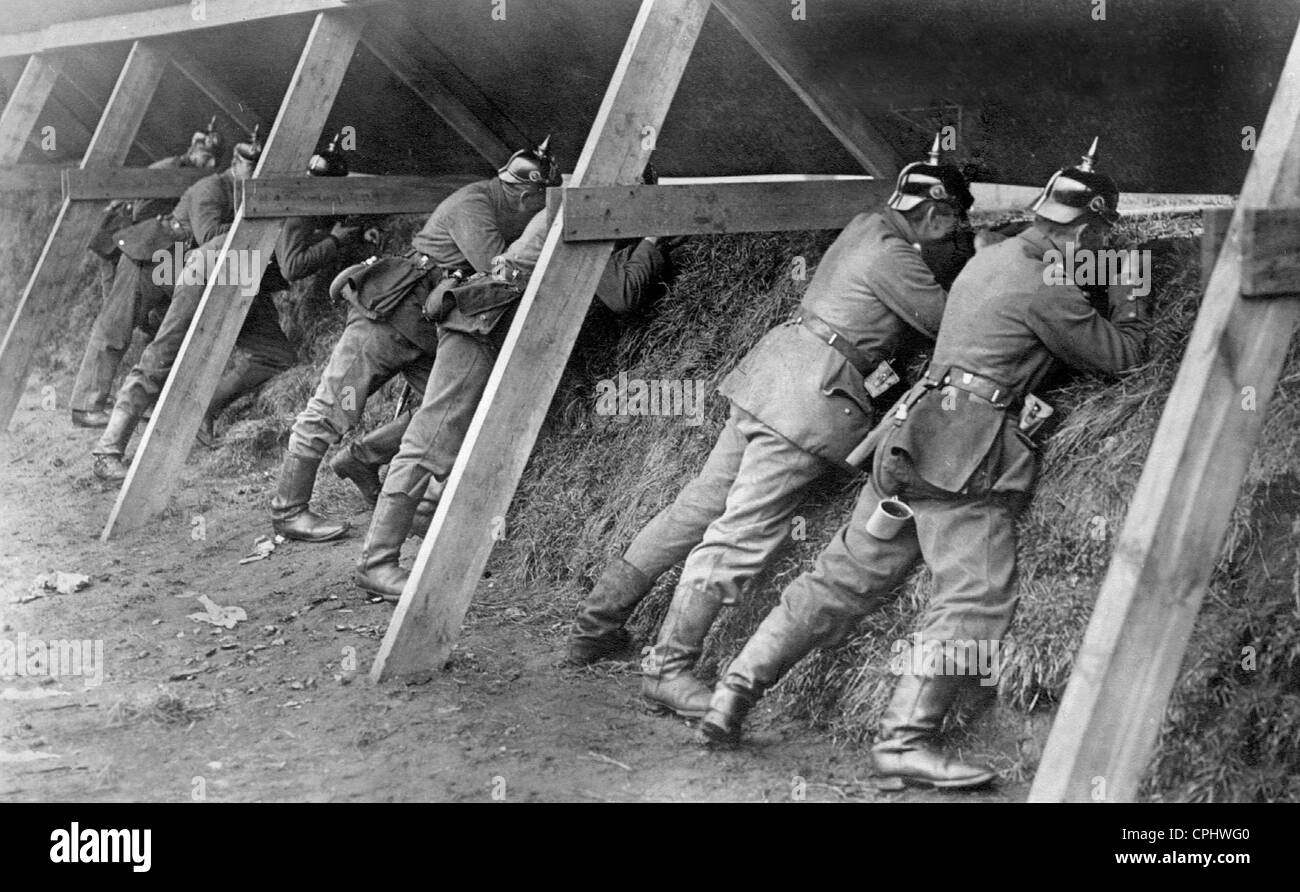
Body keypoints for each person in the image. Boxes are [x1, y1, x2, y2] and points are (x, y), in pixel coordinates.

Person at [700, 140, 1151, 792]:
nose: (1095, 248)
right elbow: (1124, 358)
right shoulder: (1046, 285)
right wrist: (1131, 289)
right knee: (975, 594)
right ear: (1084, 228)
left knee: (845, 576)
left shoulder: (990, 259)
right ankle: (903, 743)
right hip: (964, 454)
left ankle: (734, 689)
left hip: (908, 439)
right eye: (1098, 237)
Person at [565, 139, 977, 727]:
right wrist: (982, 263)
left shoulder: (866, 226)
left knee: (696, 507)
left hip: (773, 373)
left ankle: (593, 627)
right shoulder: (897, 257)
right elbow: (950, 323)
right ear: (932, 214)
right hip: (804, 401)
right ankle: (668, 670)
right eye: (953, 225)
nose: (954, 236)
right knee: (741, 533)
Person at [352, 158, 684, 602]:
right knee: (431, 439)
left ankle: (433, 522)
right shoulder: (580, 213)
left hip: (503, 328)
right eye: (637, 195)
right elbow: (622, 295)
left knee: (474, 434)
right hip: (482, 325)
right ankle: (376, 564)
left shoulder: (581, 210)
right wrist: (651, 240)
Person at [267, 138, 563, 544]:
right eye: (538, 205)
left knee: (447, 411)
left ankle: (364, 459)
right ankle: (289, 511)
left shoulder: (494, 202)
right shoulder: (473, 206)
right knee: (333, 405)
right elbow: (497, 274)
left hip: (428, 324)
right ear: (527, 194)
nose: (536, 214)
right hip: (389, 316)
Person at [90, 135, 360, 481]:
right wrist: (337, 241)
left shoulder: (303, 200)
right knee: (164, 354)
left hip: (244, 273)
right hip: (212, 269)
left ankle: (203, 412)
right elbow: (293, 265)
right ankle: (107, 451)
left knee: (274, 355)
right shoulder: (298, 201)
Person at [70, 119, 225, 427]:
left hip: (146, 247)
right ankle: (87, 405)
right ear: (193, 148)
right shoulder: (169, 169)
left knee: (150, 323)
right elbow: (139, 213)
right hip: (125, 242)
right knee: (114, 324)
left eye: (212, 161)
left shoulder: (193, 176)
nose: (206, 163)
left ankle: (130, 400)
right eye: (204, 156)